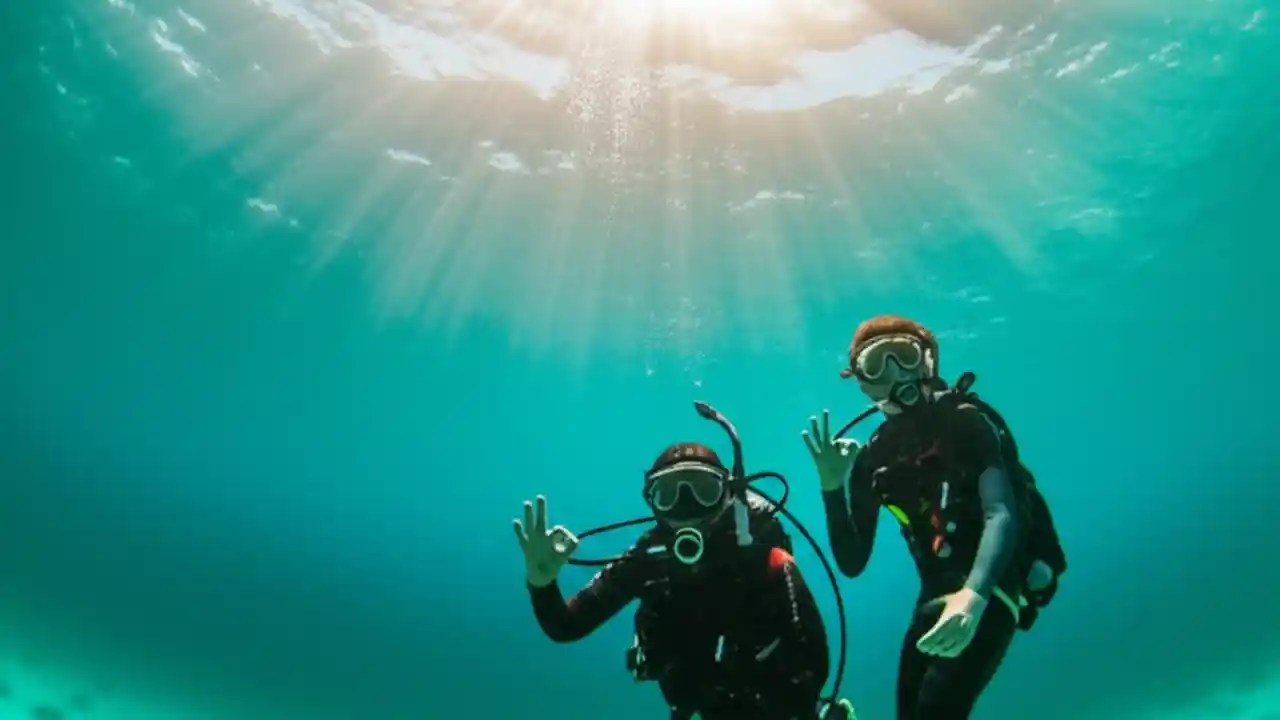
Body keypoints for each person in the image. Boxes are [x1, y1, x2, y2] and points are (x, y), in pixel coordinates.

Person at [802, 314, 1067, 720]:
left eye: (905, 356)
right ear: (862, 381)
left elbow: (1001, 512)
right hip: (931, 600)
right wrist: (831, 485)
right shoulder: (872, 458)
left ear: (928, 362)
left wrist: (973, 597)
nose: (895, 374)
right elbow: (852, 561)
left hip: (989, 588)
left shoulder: (965, 421)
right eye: (877, 365)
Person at [515, 431, 857, 720]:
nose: (687, 508)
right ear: (652, 503)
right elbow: (565, 626)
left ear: (726, 496)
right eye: (670, 495)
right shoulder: (648, 560)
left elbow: (812, 664)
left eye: (702, 491)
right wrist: (542, 583)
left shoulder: (759, 551)